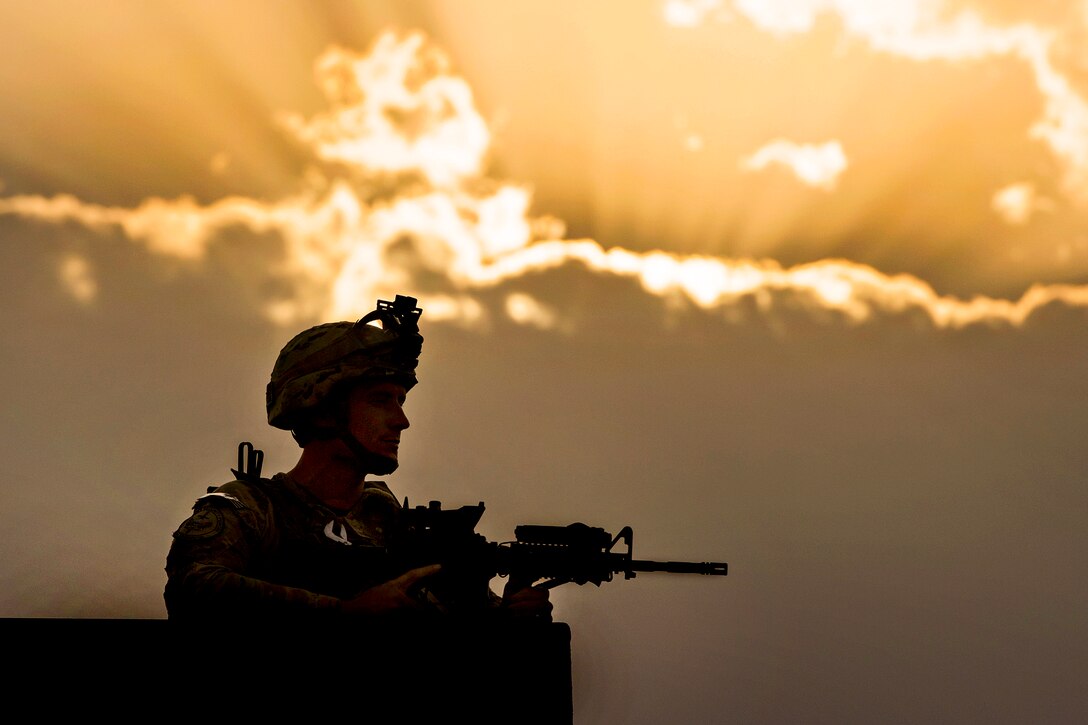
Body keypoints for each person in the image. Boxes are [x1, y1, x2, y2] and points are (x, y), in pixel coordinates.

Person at [164, 294, 552, 624]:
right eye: (380, 400)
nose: (401, 420)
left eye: (401, 401)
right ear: (321, 408)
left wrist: (508, 614)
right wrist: (345, 612)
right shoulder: (250, 511)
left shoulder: (390, 524)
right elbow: (192, 587)